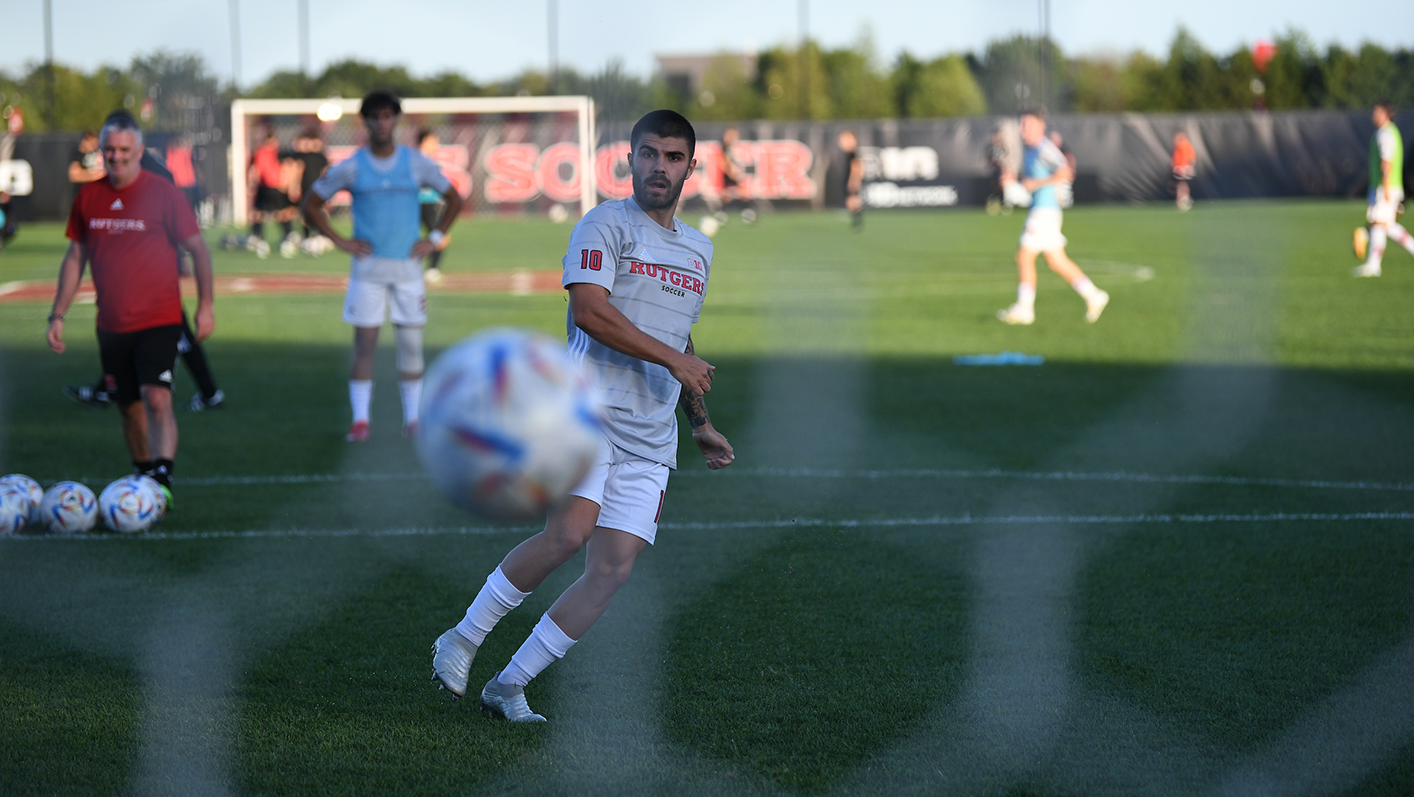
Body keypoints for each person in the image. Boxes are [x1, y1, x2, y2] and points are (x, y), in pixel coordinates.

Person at [429, 109, 735, 723]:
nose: (659, 167)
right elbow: (592, 313)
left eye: (673, 158)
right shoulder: (603, 225)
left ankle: (510, 684)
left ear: (691, 168)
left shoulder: (699, 250)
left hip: (652, 432)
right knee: (569, 533)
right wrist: (675, 359)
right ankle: (461, 638)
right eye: (649, 154)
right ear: (629, 159)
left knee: (613, 568)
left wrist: (698, 419)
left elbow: (680, 337)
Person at [45, 113, 215, 502]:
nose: (116, 157)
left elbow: (198, 250)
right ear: (100, 152)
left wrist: (206, 306)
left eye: (124, 149)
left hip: (160, 318)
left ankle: (163, 481)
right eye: (109, 149)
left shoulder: (164, 194)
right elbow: (76, 256)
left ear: (139, 150)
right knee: (128, 408)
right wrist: (58, 314)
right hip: (111, 323)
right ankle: (143, 477)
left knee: (157, 398)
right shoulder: (88, 197)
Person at [301, 90, 463, 442]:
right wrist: (340, 240)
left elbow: (454, 197)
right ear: (366, 122)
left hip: (408, 270)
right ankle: (361, 421)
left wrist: (433, 239)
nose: (382, 122)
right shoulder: (352, 166)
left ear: (396, 120)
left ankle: (413, 421)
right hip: (368, 271)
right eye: (375, 116)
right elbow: (310, 204)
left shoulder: (416, 162)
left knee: (410, 347)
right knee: (365, 346)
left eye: (388, 115)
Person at [63, 112, 226, 413]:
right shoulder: (145, 170)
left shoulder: (154, 176)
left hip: (151, 274)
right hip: (140, 274)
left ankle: (207, 392)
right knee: (170, 334)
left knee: (167, 334)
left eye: (123, 149)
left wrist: (182, 269)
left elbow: (179, 232)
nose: (116, 155)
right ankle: (208, 392)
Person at [997, 108, 1109, 326]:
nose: (1024, 130)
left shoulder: (1044, 148)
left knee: (1024, 257)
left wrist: (1036, 184)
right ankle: (1093, 295)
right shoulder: (1030, 150)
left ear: (1041, 126)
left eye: (1028, 125)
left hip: (1044, 213)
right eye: (1022, 125)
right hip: (1042, 210)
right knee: (1056, 261)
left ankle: (1024, 309)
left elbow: (1066, 173)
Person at [1353, 100, 1413, 278]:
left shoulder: (1385, 133)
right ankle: (1373, 265)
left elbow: (1386, 163)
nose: (1373, 115)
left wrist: (1385, 187)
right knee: (1382, 225)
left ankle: (1373, 265)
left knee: (1381, 224)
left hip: (1386, 186)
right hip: (1386, 186)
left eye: (1377, 112)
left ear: (1386, 114)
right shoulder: (1386, 132)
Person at [247, 127, 295, 258]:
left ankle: (259, 236)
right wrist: (289, 184)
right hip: (273, 186)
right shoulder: (272, 152)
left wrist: (251, 184)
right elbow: (287, 167)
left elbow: (254, 170)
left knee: (264, 213)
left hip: (268, 186)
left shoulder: (261, 152)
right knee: (278, 213)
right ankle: (285, 236)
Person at [415, 129, 451, 282]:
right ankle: (431, 269)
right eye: (433, 141)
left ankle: (431, 268)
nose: (436, 145)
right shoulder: (416, 160)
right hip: (420, 202)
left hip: (430, 202)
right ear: (424, 141)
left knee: (437, 236)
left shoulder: (430, 161)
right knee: (438, 236)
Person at [839, 129, 864, 229]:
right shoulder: (848, 155)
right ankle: (856, 220)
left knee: (853, 199)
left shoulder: (853, 155)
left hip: (851, 180)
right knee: (851, 200)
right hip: (849, 179)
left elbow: (857, 167)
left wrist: (854, 180)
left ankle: (857, 220)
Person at [1172, 131, 1196, 211]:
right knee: (1181, 184)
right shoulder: (1184, 145)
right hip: (1182, 168)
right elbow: (1192, 157)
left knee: (1181, 185)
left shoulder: (1182, 144)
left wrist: (1183, 168)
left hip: (1182, 168)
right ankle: (1184, 200)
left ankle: (1183, 201)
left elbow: (1188, 157)